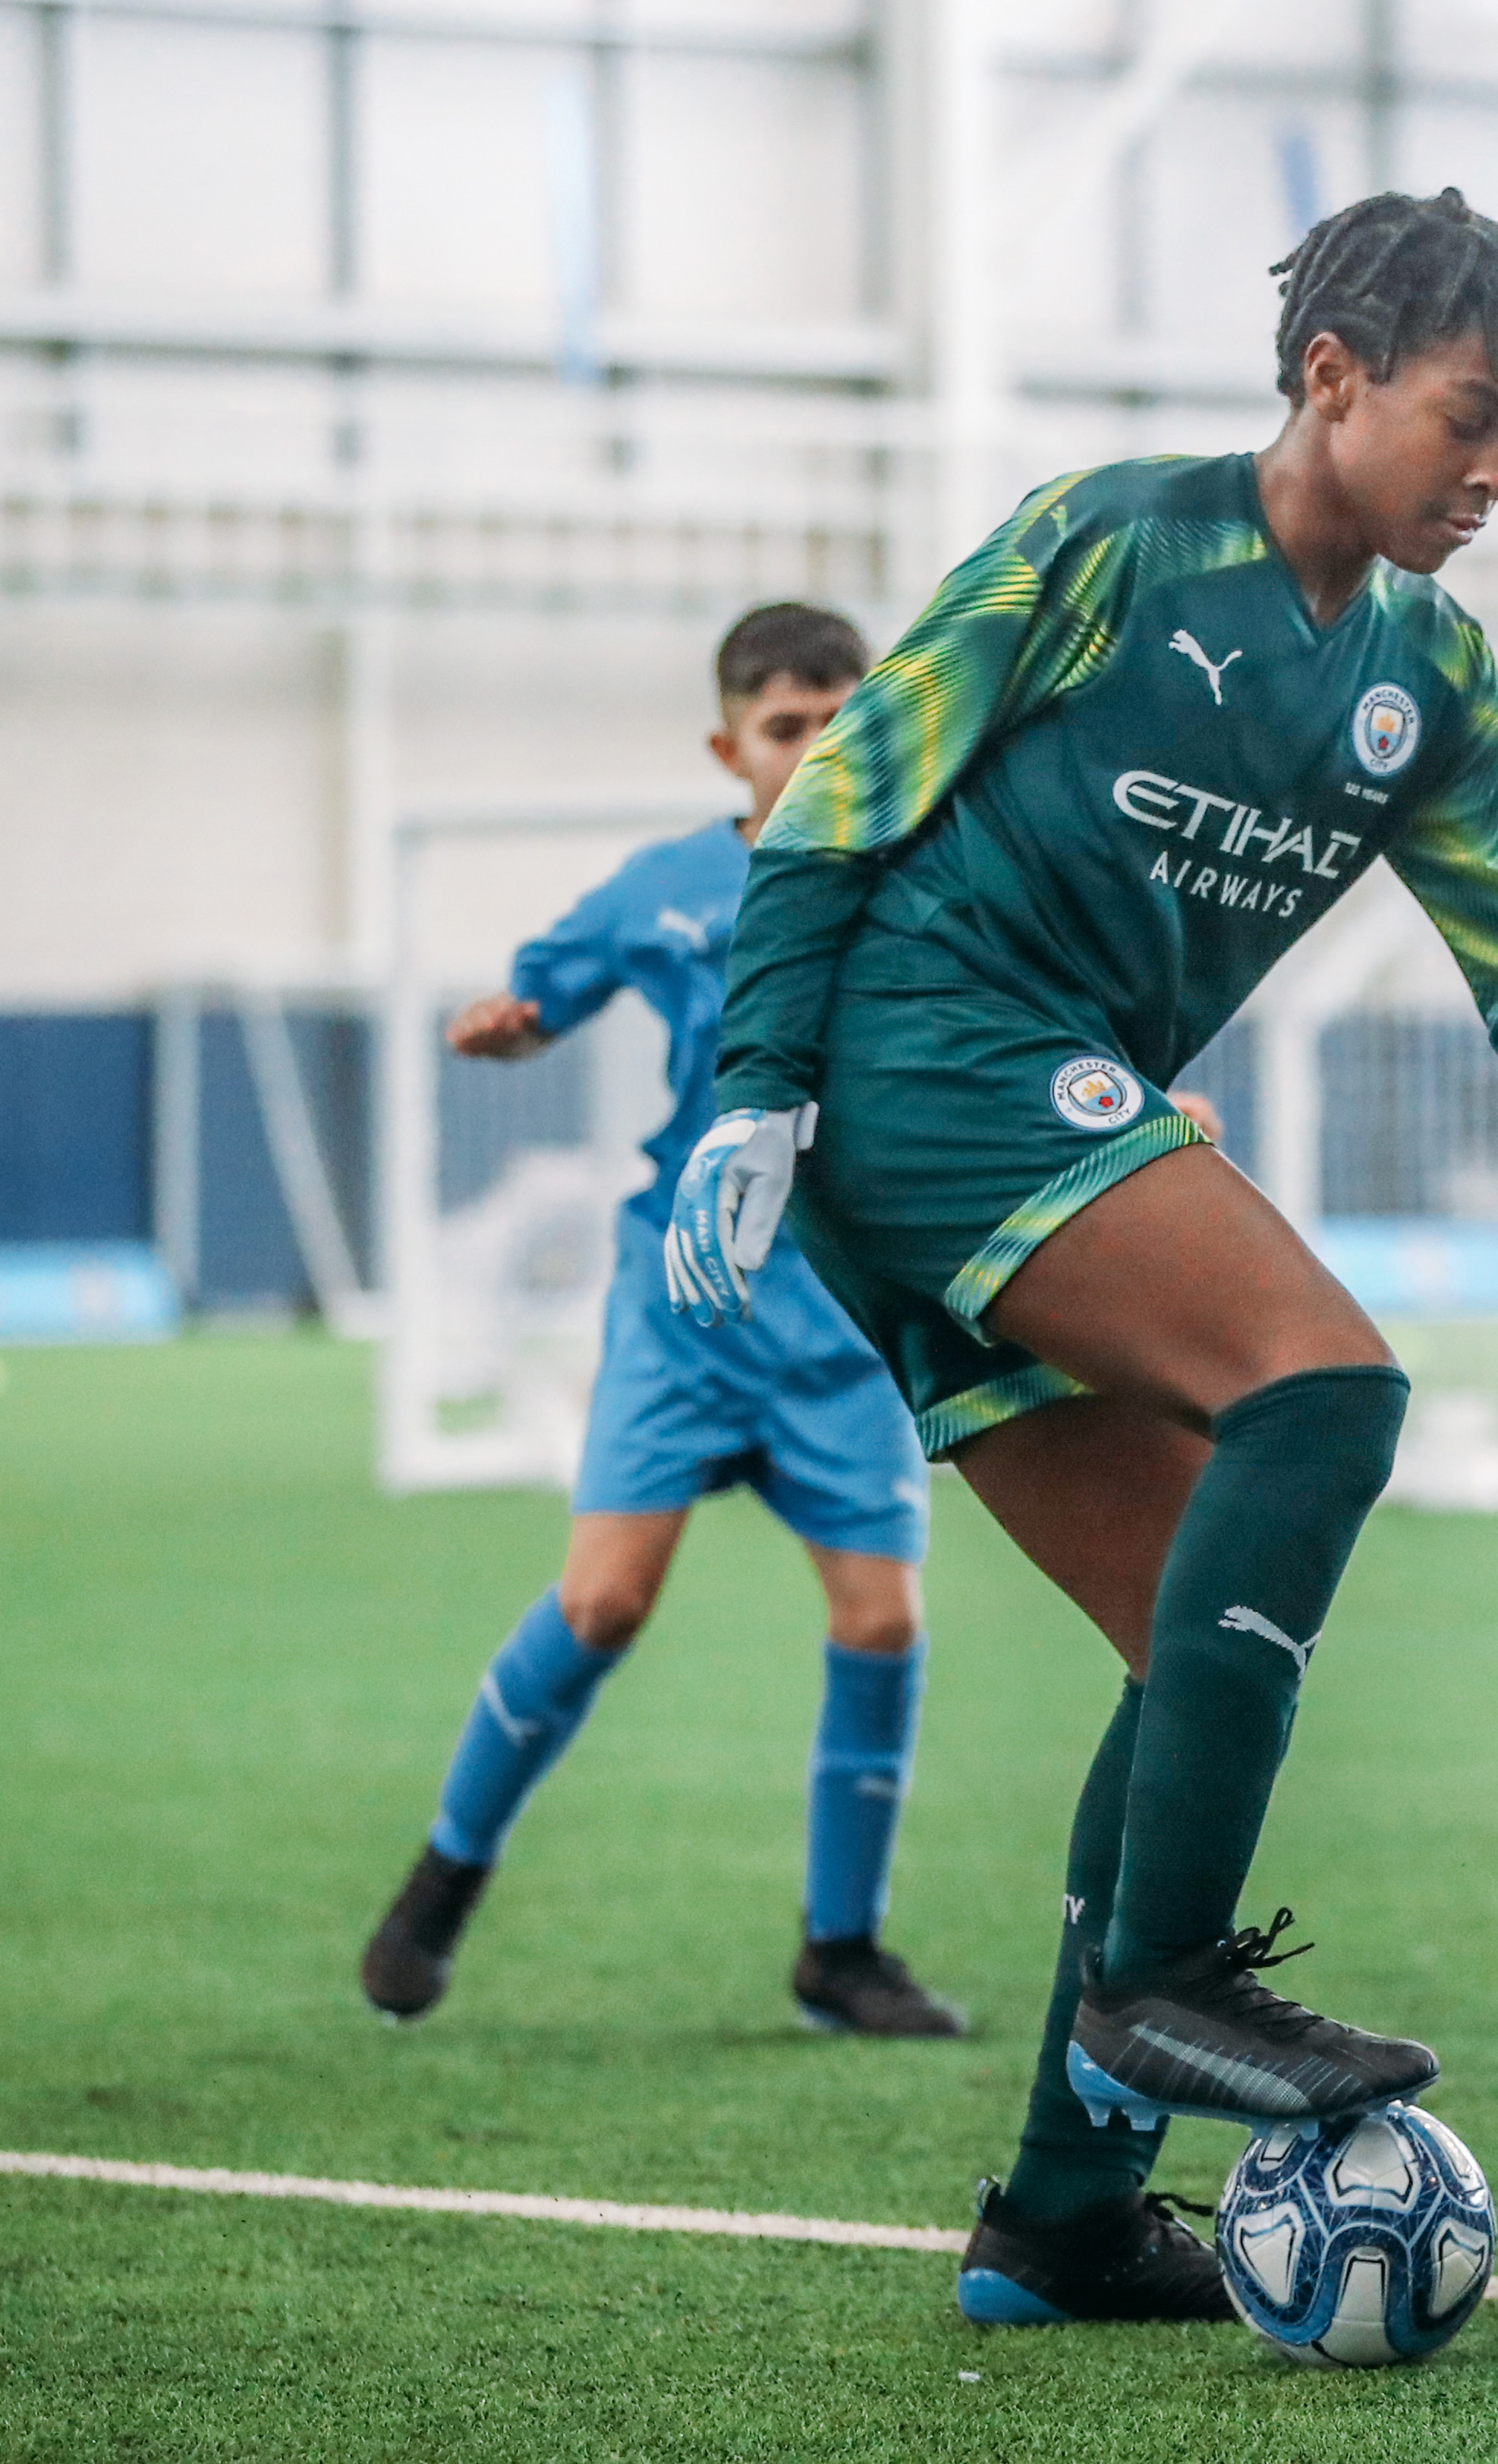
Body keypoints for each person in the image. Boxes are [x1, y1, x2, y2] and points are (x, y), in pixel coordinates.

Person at [665, 188, 1498, 2330]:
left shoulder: (1430, 677)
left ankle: (1063, 2223)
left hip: (1011, 1115)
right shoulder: (1108, 540)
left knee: (1182, 1631)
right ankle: (1163, 1985)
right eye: (1467, 422)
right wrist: (757, 1079)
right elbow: (842, 800)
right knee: (1330, 1383)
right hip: (927, 1056)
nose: (1491, 476)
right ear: (1328, 377)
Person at [360, 603, 961, 2040]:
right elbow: (546, 985)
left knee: (880, 1623)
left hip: (843, 1319)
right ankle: (446, 1873)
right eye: (783, 728)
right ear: (728, 746)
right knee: (602, 1603)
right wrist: (517, 1024)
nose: (814, 750)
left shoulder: (928, 881)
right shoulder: (671, 884)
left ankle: (842, 1952)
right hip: (684, 1312)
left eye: (838, 721)